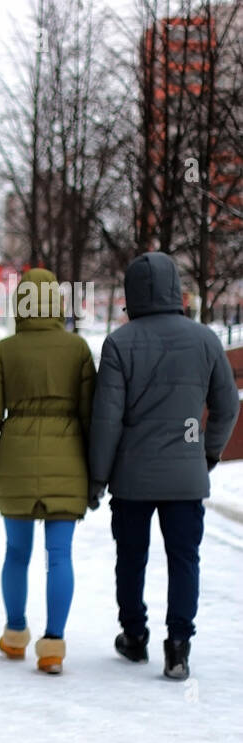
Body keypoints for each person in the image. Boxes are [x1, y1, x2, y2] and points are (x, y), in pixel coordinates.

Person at [89, 251, 240, 680]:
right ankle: (178, 647)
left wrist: (98, 478)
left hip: (132, 478)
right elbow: (227, 407)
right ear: (176, 289)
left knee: (131, 557)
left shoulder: (119, 343)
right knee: (184, 559)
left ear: (132, 293)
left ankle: (134, 636)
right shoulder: (206, 340)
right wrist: (208, 453)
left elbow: (106, 419)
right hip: (186, 476)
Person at [0, 268, 95, 675]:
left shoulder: (6, 351)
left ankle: (15, 634)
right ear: (57, 302)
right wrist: (99, 474)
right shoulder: (78, 350)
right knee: (60, 556)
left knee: (16, 553)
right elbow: (92, 419)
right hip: (68, 460)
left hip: (16, 459)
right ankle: (53, 646)